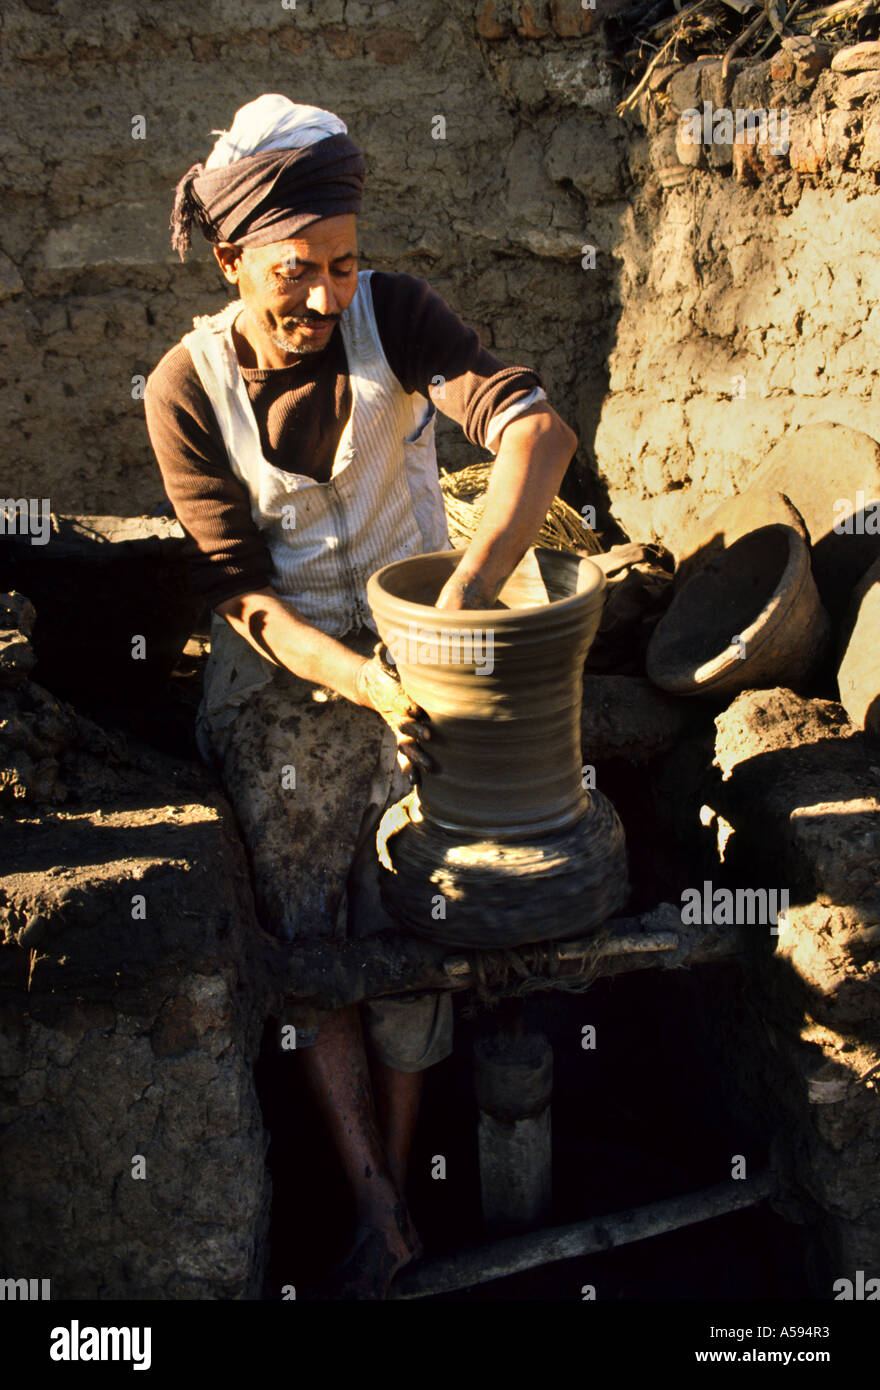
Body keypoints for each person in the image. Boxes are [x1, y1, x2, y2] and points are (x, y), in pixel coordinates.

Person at [144, 94, 578, 1298]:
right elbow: (243, 597)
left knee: (413, 890)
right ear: (230, 257)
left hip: (416, 635)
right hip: (282, 671)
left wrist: (462, 599)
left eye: (343, 263)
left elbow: (536, 434)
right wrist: (360, 679)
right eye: (296, 271)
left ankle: (401, 1172)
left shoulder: (396, 312)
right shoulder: (182, 389)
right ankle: (368, 1196)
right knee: (301, 896)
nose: (328, 295)